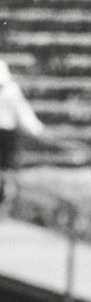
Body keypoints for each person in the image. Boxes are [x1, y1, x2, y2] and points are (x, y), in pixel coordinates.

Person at [0, 60, 45, 209]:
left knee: (6, 168)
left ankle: (4, 201)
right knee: (5, 168)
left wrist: (36, 128)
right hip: (7, 132)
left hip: (7, 133)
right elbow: (23, 111)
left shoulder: (11, 90)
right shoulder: (12, 90)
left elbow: (23, 111)